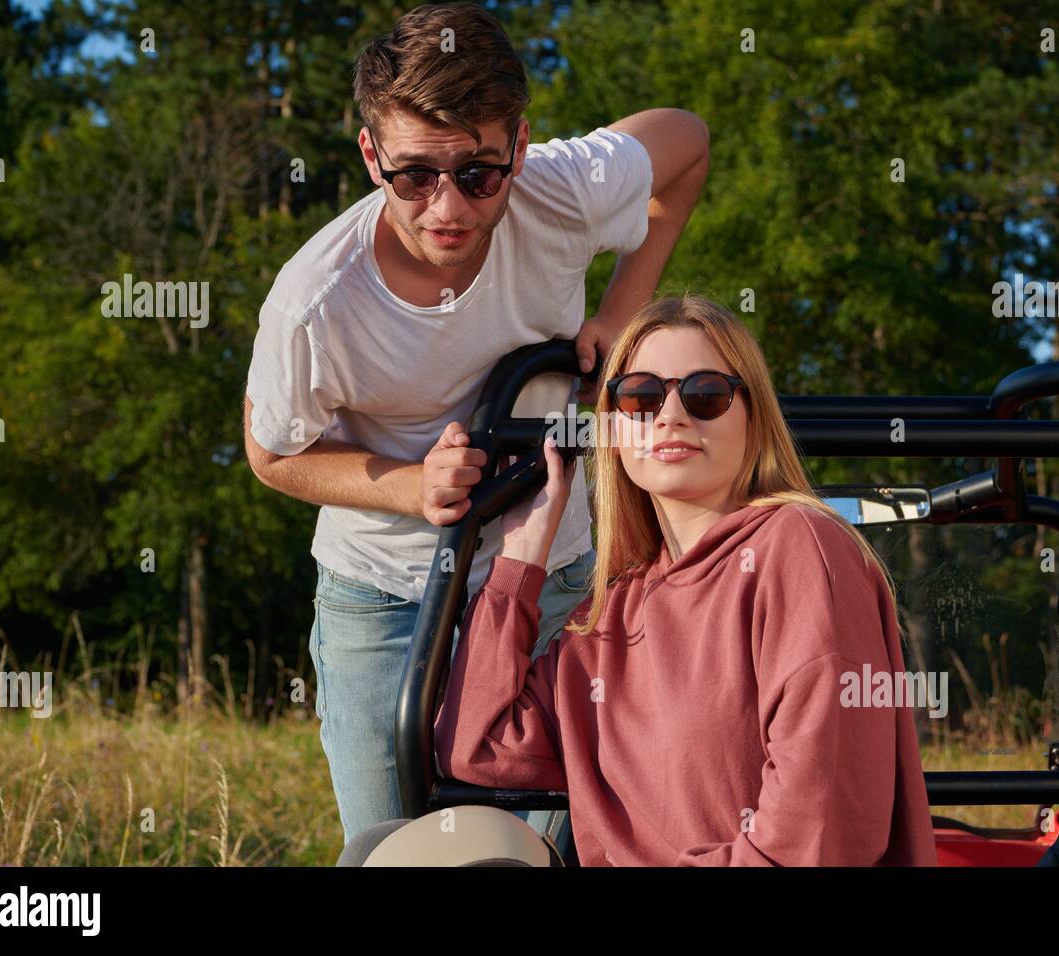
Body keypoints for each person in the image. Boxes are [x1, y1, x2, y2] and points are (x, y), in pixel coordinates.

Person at [242, 2, 710, 845]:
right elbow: (272, 453)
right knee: (395, 852)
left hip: (554, 577)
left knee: (557, 844)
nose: (446, 206)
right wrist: (409, 486)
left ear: (520, 149)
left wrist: (624, 309)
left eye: (479, 174)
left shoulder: (561, 191)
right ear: (371, 156)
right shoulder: (314, 303)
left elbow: (686, 139)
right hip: (382, 597)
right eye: (415, 175)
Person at [341, 294, 938, 866]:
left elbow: (816, 837)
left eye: (707, 394)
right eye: (640, 398)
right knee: (381, 850)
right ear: (613, 428)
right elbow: (477, 746)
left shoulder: (800, 546)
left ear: (753, 418)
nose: (671, 415)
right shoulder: (617, 611)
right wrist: (522, 558)